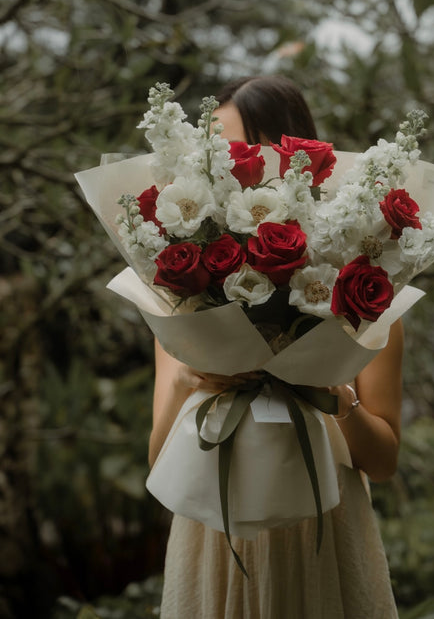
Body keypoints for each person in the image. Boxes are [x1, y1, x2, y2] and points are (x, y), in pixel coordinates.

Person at [149, 75, 402, 618]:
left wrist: (332, 394)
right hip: (214, 531)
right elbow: (155, 458)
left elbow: (383, 461)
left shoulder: (362, 283)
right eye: (213, 152)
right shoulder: (184, 292)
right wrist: (189, 380)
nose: (222, 167)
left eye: (240, 151)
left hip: (322, 532)